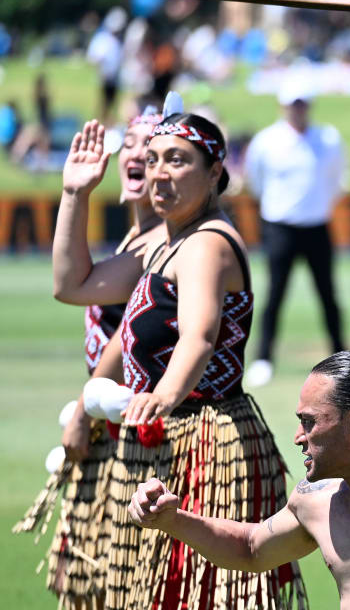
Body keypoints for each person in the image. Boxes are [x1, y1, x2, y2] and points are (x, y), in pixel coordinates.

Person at [50, 105, 307, 609]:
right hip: (166, 437)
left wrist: (162, 397)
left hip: (205, 442)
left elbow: (199, 337)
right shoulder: (165, 244)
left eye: (177, 160)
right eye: (153, 159)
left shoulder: (206, 245)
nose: (158, 172)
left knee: (199, 595)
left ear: (214, 173)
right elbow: (71, 285)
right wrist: (75, 193)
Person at [128, 350, 350, 609]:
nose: (299, 436)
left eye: (310, 421)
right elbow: (251, 548)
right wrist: (172, 520)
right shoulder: (319, 499)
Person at [14, 105, 167, 610]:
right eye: (132, 139)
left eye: (154, 144)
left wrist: (82, 409)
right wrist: (75, 191)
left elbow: (128, 339)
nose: (138, 152)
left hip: (141, 435)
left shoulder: (165, 244)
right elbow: (68, 284)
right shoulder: (139, 238)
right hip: (115, 426)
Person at [244, 79, 348, 388]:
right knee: (274, 295)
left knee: (328, 296)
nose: (298, 109)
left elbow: (338, 179)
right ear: (283, 106)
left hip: (317, 226)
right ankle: (263, 359)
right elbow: (255, 182)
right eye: (293, 104)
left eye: (302, 103)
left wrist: (318, 206)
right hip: (280, 228)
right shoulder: (267, 141)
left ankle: (341, 358)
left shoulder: (328, 139)